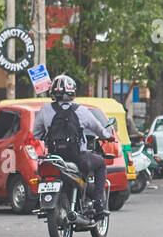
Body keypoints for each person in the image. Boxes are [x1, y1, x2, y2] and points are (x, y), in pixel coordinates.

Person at [32, 74, 113, 216]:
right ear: (72, 92)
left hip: (54, 157)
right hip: (77, 157)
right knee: (100, 163)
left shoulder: (45, 110)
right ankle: (98, 203)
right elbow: (98, 128)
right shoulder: (81, 110)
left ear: (53, 92)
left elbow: (36, 134)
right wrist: (108, 136)